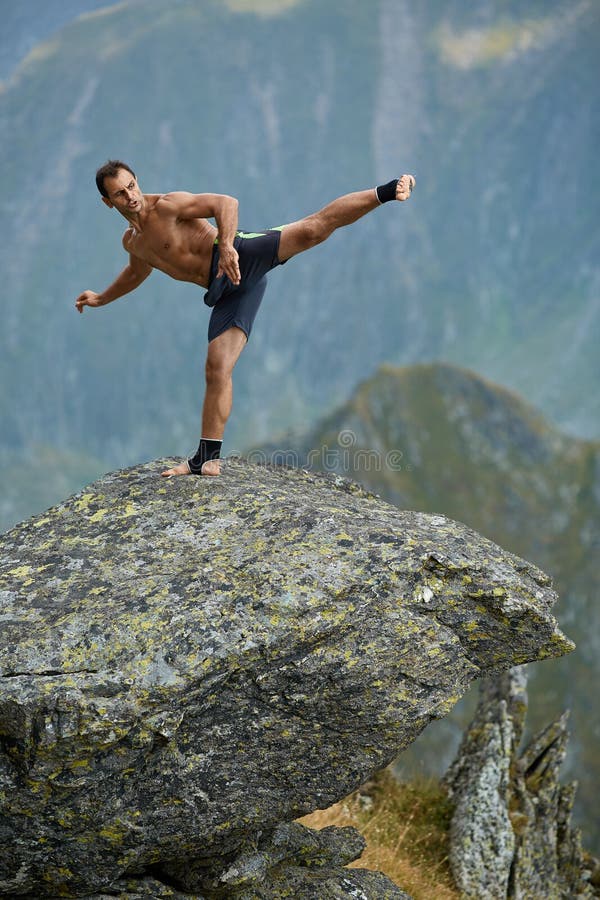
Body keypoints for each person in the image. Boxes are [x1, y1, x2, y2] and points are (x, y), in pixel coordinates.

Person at [76, 161, 416, 477]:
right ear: (108, 202)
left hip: (241, 255)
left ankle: (388, 190)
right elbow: (136, 274)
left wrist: (226, 247)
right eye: (120, 193)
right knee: (216, 368)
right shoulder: (132, 243)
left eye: (132, 185)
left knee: (312, 230)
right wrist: (102, 297)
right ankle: (207, 459)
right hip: (227, 292)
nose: (131, 196)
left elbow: (227, 203)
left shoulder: (168, 206)